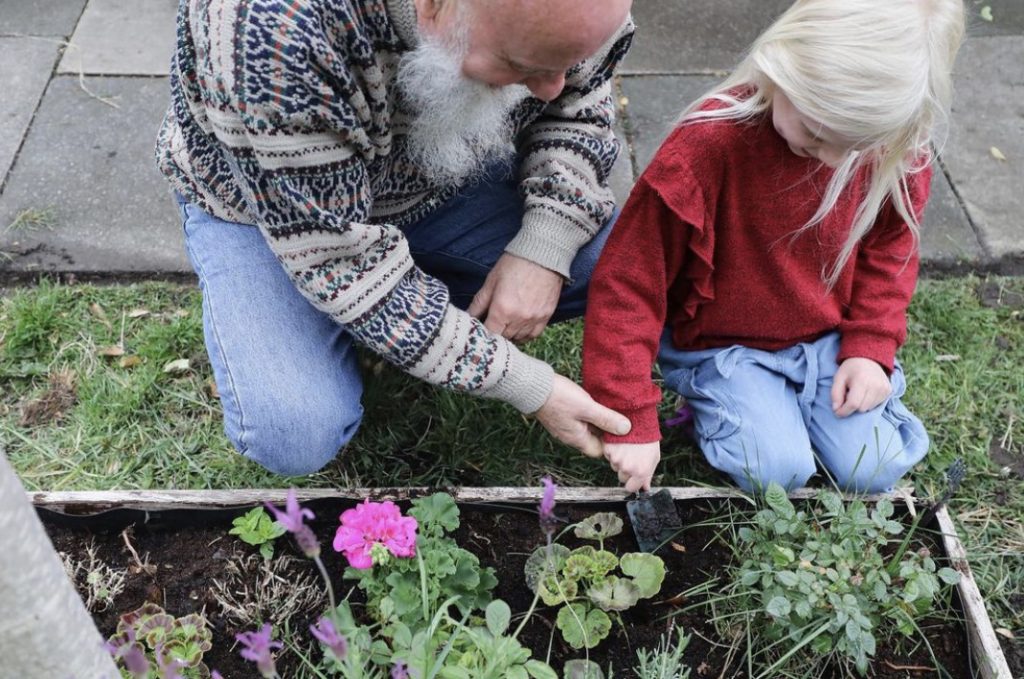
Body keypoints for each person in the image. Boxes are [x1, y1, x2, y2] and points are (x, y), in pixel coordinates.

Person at [156, 0, 635, 476]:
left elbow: (577, 102)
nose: (552, 87)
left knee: (629, 262)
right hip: (271, 205)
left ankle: (398, 311)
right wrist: (530, 386)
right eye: (522, 64)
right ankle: (352, 317)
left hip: (439, 173)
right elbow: (339, 260)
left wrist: (543, 247)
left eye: (564, 63)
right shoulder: (270, 31)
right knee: (294, 430)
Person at [583, 0, 965, 494]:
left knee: (874, 468)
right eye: (815, 135)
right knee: (776, 471)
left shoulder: (890, 145)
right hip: (726, 348)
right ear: (782, 67)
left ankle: (791, 407)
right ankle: (725, 403)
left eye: (850, 146)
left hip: (826, 343)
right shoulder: (708, 146)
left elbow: (890, 249)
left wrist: (870, 348)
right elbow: (630, 280)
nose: (829, 158)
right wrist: (629, 412)